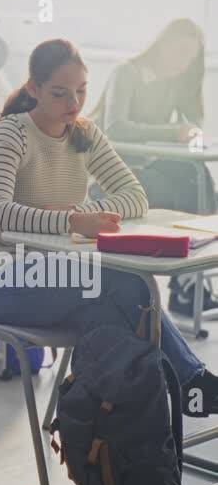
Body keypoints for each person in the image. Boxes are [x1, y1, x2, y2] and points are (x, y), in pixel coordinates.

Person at [0, 38, 218, 418]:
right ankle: (192, 384)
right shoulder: (11, 134)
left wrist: (85, 211)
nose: (74, 104)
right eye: (60, 94)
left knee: (118, 321)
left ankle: (123, 445)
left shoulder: (85, 134)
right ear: (33, 89)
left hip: (59, 274)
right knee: (129, 286)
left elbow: (135, 196)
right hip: (0, 279)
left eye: (82, 91)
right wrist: (70, 221)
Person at [90, 19, 218, 318]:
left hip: (148, 166)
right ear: (162, 47)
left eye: (190, 58)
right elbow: (116, 129)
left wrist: (190, 131)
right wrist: (172, 132)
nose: (184, 63)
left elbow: (191, 123)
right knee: (192, 179)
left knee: (194, 173)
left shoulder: (177, 81)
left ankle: (189, 283)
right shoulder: (128, 72)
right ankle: (187, 286)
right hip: (113, 168)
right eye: (180, 54)